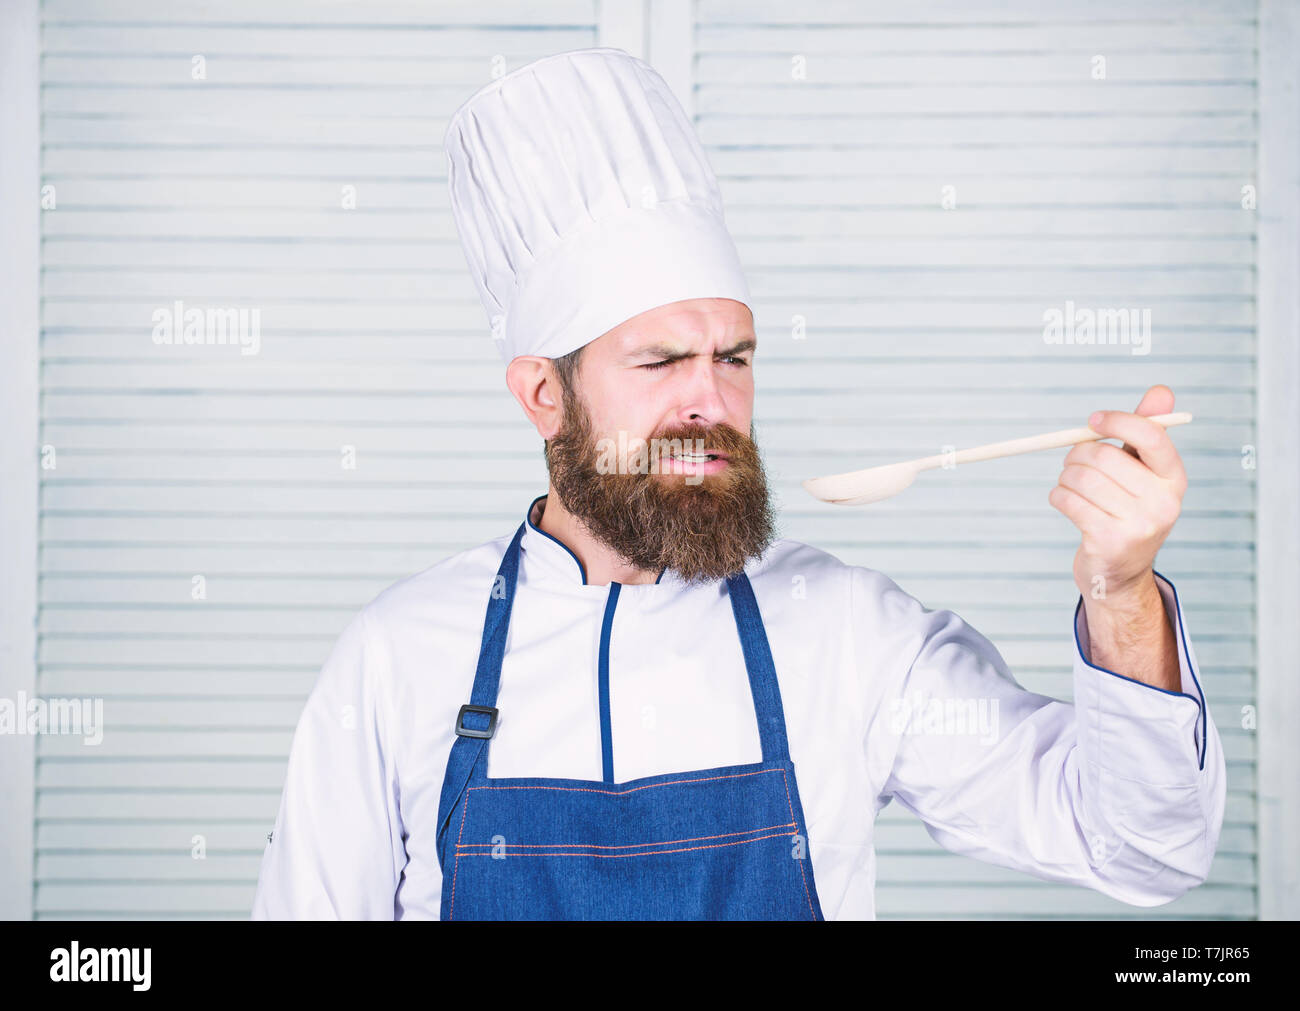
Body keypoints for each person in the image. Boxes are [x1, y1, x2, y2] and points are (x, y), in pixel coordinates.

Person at [251, 48, 1224, 920]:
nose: (708, 402)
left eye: (734, 357)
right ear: (544, 394)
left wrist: (1122, 592)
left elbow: (1139, 845)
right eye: (660, 362)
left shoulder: (849, 635)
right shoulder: (399, 657)